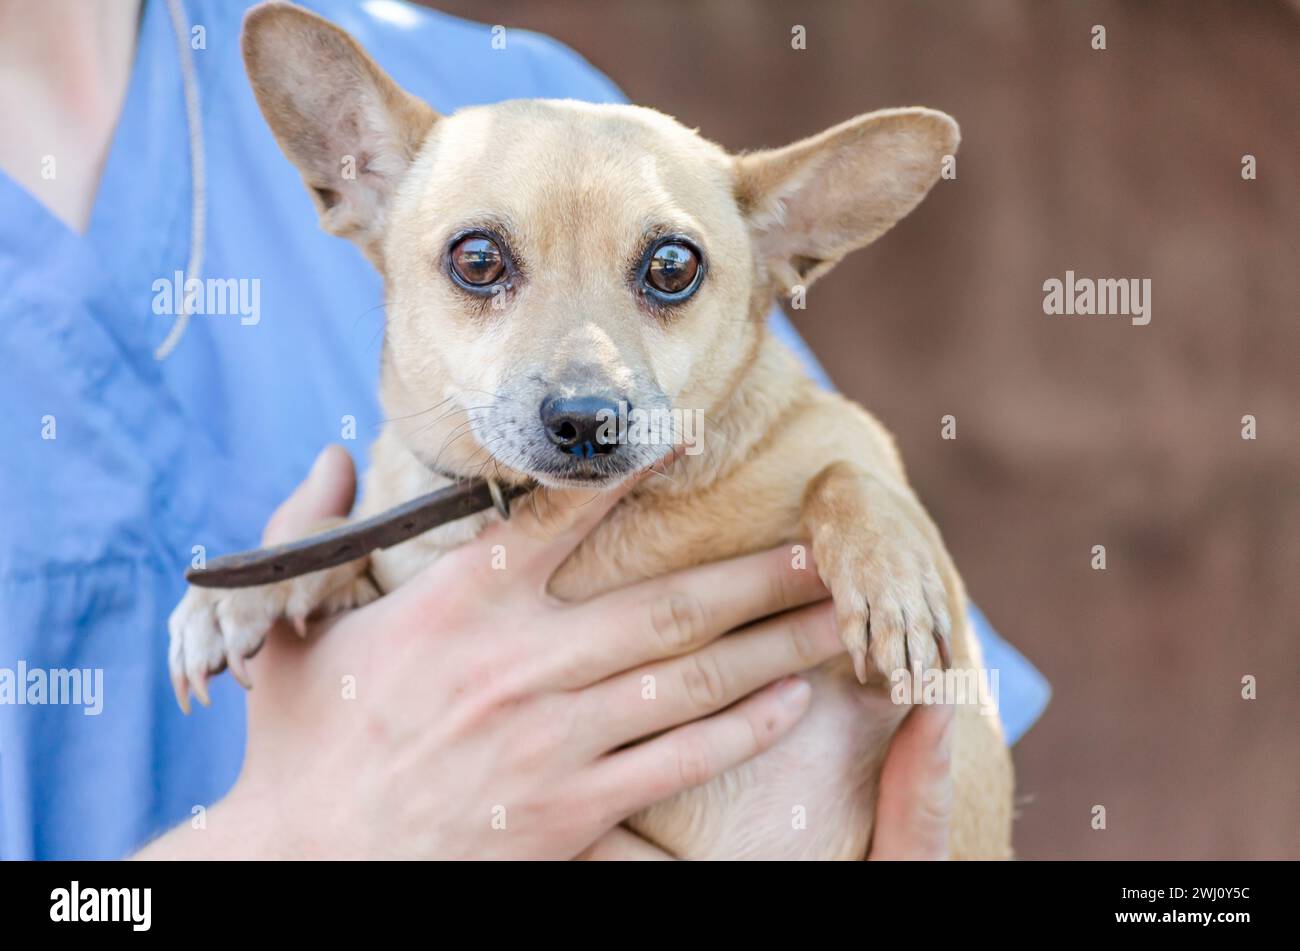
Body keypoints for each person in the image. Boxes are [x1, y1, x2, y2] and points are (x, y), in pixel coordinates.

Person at [0, 0, 1049, 860]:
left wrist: (861, 510)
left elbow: (938, 717)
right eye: (482, 268)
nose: (582, 385)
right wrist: (290, 832)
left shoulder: (562, 111)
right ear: (352, 180)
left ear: (780, 251)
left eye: (665, 273)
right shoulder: (429, 162)